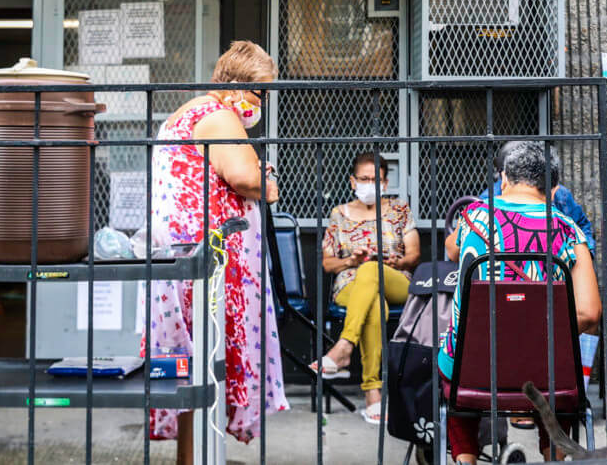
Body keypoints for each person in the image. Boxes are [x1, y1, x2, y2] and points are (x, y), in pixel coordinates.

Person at [146, 41, 287, 459]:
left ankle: (194, 458)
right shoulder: (220, 116)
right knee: (209, 363)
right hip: (208, 260)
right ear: (240, 86)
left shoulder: (187, 113)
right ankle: (203, 458)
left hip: (183, 255)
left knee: (193, 370)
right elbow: (245, 178)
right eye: (261, 92)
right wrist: (269, 185)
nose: (261, 103)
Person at [441, 141, 602, 463]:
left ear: (503, 178)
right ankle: (554, 455)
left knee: (454, 361)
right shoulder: (569, 231)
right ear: (553, 188)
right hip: (543, 374)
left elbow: (451, 249)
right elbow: (589, 313)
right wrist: (538, 340)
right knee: (557, 373)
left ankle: (465, 459)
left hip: (473, 370)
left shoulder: (474, 216)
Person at [315, 152, 421, 423]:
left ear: (385, 183)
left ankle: (344, 346)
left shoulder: (399, 210)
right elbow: (327, 263)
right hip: (350, 286)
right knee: (375, 304)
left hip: (394, 280)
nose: (369, 184)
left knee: (372, 269)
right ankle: (373, 392)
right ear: (353, 181)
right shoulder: (339, 214)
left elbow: (414, 255)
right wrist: (351, 261)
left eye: (376, 179)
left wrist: (396, 262)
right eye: (364, 179)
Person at [480, 147, 596, 250]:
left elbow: (581, 226)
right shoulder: (487, 200)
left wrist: (586, 251)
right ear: (504, 175)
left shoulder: (560, 195)